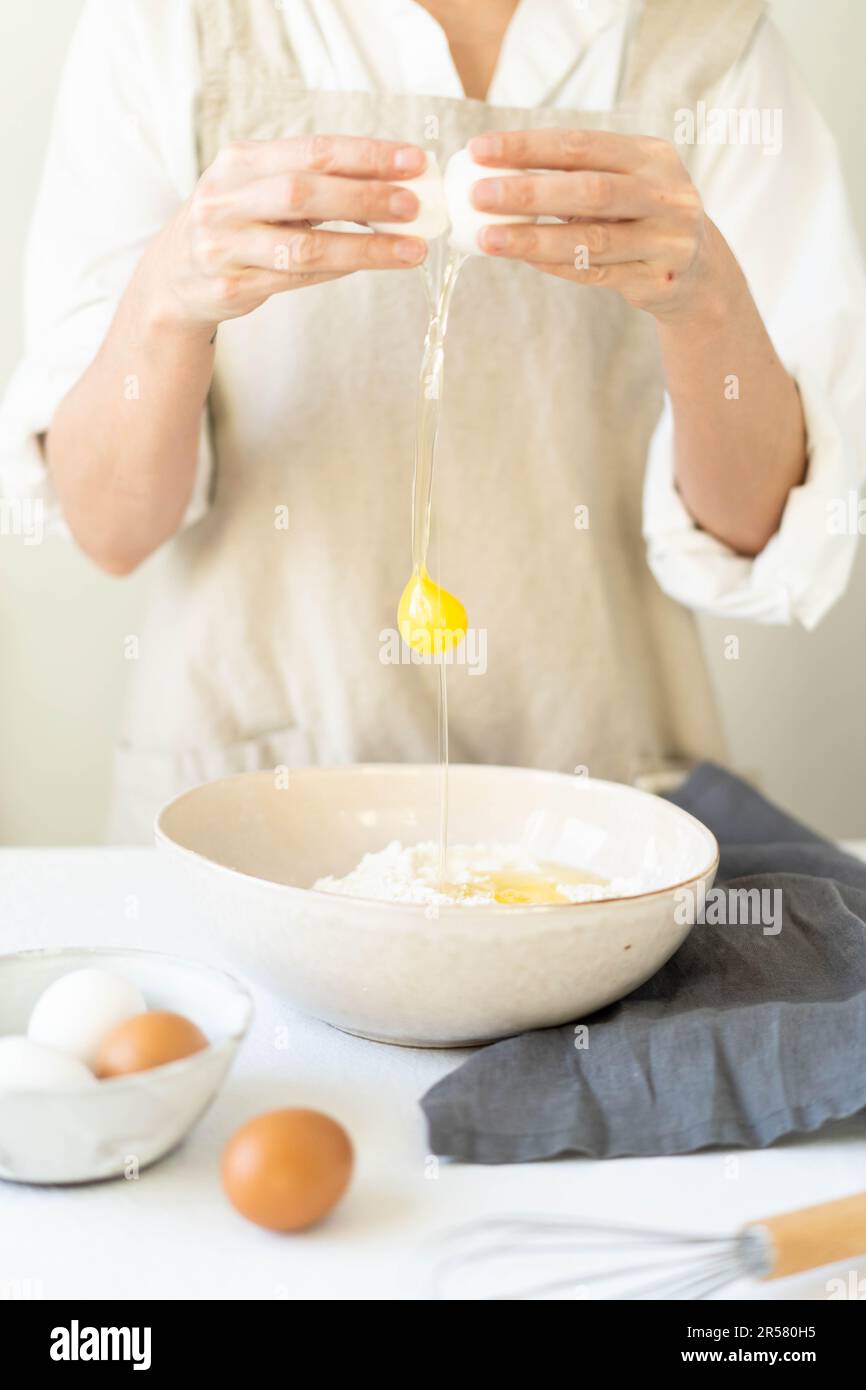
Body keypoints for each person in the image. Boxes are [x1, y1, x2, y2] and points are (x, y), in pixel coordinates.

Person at [1, 0, 864, 842]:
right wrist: (166, 301)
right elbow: (109, 528)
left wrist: (710, 307)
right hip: (247, 824)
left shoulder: (716, 47)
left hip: (596, 825)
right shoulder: (170, 26)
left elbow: (758, 529)